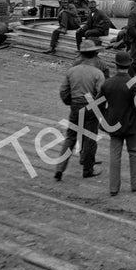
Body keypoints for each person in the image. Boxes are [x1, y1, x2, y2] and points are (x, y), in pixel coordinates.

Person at [54, 39, 105, 180]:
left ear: (81, 55)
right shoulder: (98, 73)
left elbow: (64, 91)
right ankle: (88, 170)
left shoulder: (72, 71)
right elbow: (102, 94)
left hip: (75, 107)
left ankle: (59, 169)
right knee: (90, 139)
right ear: (95, 54)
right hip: (90, 107)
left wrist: (71, 103)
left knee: (70, 137)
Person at [99, 50, 136, 196]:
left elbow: (98, 105)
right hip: (131, 124)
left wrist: (107, 116)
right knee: (134, 152)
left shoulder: (107, 84)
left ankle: (113, 188)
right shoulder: (133, 84)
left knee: (115, 154)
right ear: (129, 65)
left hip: (113, 124)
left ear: (116, 65)